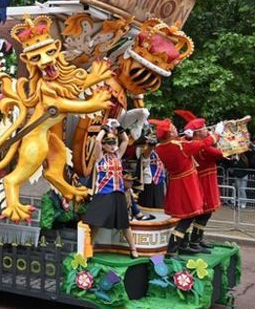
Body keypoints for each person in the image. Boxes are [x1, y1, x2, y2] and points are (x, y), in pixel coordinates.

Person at [83, 122, 140, 258]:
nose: (112, 145)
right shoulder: (100, 158)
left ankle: (133, 249)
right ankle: (90, 247)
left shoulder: (117, 156)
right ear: (103, 145)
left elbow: (125, 140)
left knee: (124, 223)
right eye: (108, 143)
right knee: (96, 222)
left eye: (113, 142)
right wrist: (104, 129)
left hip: (118, 193)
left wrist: (120, 127)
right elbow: (96, 140)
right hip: (104, 193)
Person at [152, 119, 206, 254]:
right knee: (187, 217)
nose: (177, 129)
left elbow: (182, 145)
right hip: (187, 183)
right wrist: (215, 134)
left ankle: (182, 245)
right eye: (174, 128)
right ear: (170, 133)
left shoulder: (160, 147)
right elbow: (203, 143)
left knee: (185, 215)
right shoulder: (179, 145)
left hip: (176, 182)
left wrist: (186, 137)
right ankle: (173, 248)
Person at [176, 110, 224, 250]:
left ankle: (197, 239)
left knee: (205, 213)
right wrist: (217, 134)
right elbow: (219, 153)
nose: (206, 130)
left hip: (205, 178)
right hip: (204, 181)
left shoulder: (199, 142)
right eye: (203, 128)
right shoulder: (201, 145)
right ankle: (194, 241)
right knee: (204, 213)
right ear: (196, 132)